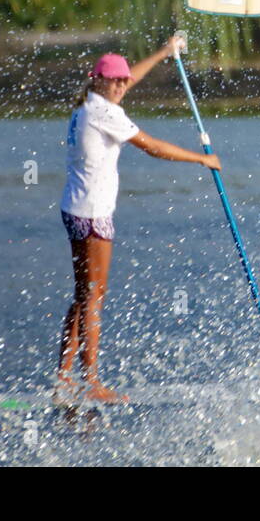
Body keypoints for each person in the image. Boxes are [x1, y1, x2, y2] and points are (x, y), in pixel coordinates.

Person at [56, 36, 220, 405]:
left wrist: (164, 52)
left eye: (122, 80)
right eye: (113, 80)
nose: (119, 85)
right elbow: (153, 147)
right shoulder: (105, 112)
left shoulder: (87, 105)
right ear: (96, 78)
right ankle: (91, 383)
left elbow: (131, 81)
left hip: (75, 208)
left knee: (83, 297)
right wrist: (202, 160)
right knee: (94, 297)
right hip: (93, 215)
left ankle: (65, 378)